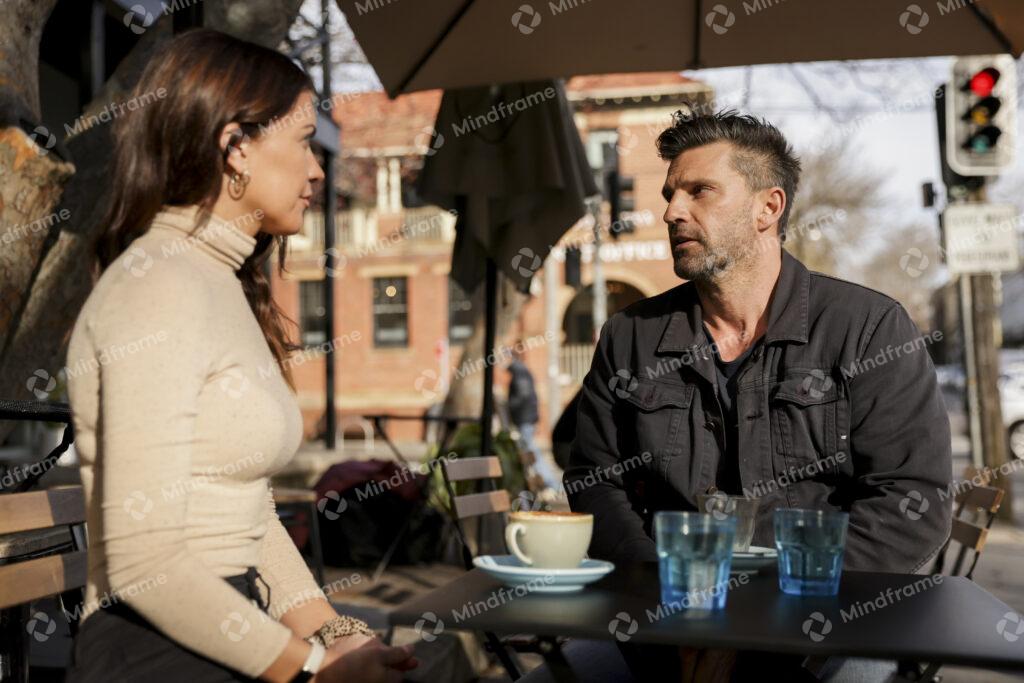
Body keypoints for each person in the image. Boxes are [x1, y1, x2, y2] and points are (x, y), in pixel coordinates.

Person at [65, 30, 417, 683]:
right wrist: (314, 668)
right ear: (236, 149)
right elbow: (145, 564)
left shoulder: (214, 281)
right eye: (304, 140)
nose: (318, 168)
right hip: (154, 653)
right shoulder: (160, 288)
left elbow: (246, 510)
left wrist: (337, 630)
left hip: (221, 629)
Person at [563, 109, 952, 681]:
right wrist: (674, 597)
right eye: (672, 193)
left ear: (768, 207)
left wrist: (766, 612)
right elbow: (594, 481)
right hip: (665, 617)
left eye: (700, 191)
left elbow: (912, 503)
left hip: (827, 618)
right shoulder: (629, 337)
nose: (672, 211)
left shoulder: (868, 329)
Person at [507, 346, 561, 491]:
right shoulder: (521, 371)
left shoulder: (519, 372)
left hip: (524, 419)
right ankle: (546, 483)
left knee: (532, 453)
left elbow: (523, 396)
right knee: (529, 452)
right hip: (526, 418)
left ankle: (552, 483)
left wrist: (509, 406)